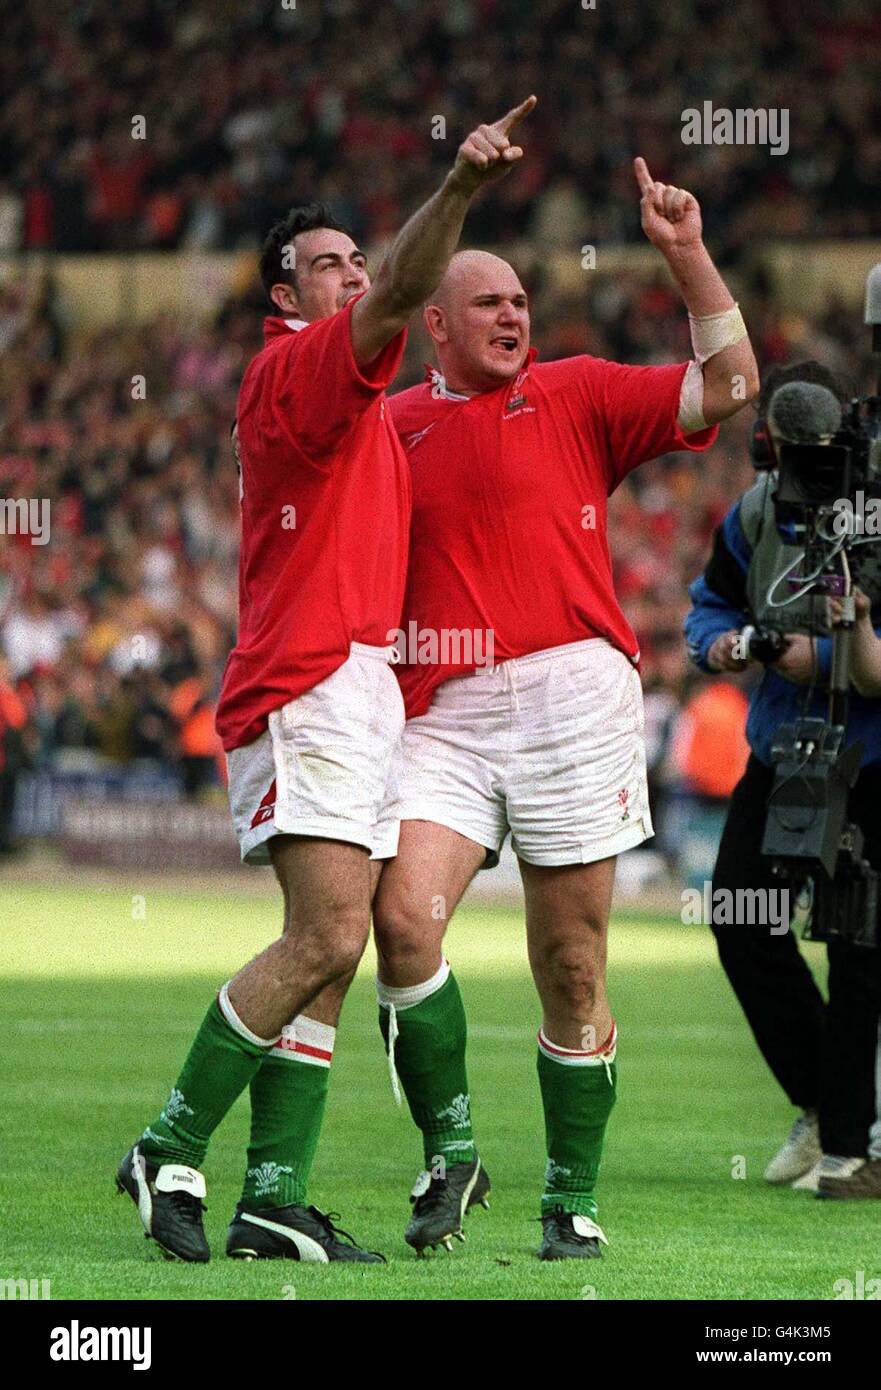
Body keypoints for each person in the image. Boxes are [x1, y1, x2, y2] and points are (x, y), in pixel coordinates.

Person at [115, 97, 538, 1264]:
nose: (353, 276)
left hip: (355, 684)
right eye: (328, 266)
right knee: (325, 931)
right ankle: (167, 1143)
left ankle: (272, 1197)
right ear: (284, 301)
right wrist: (455, 188)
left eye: (358, 258)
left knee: (335, 945)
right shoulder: (294, 374)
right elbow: (407, 296)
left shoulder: (357, 404)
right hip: (306, 678)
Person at [372, 157, 758, 1258]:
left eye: (520, 302)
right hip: (437, 703)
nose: (512, 315)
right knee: (401, 923)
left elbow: (728, 385)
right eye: (488, 302)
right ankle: (451, 1154)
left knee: (572, 964)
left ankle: (567, 1198)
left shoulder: (581, 390)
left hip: (571, 692)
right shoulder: (388, 425)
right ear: (433, 324)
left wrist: (683, 251)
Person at [684, 361, 881, 1200]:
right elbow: (709, 603)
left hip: (869, 762)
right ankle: (823, 1103)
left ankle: (847, 1144)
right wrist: (721, 646)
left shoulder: (872, 517)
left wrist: (824, 655)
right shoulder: (756, 511)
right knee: (738, 916)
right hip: (783, 752)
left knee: (856, 947)